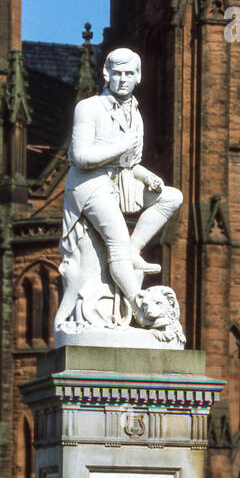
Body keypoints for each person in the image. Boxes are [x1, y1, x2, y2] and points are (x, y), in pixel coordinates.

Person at [56, 48, 183, 331]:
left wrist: (148, 176)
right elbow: (80, 157)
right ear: (106, 74)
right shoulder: (88, 108)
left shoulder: (136, 115)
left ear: (138, 77)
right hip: (89, 185)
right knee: (116, 244)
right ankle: (139, 309)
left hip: (121, 181)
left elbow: (131, 163)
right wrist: (121, 147)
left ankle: (134, 250)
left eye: (129, 74)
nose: (122, 79)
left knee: (173, 197)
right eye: (117, 73)